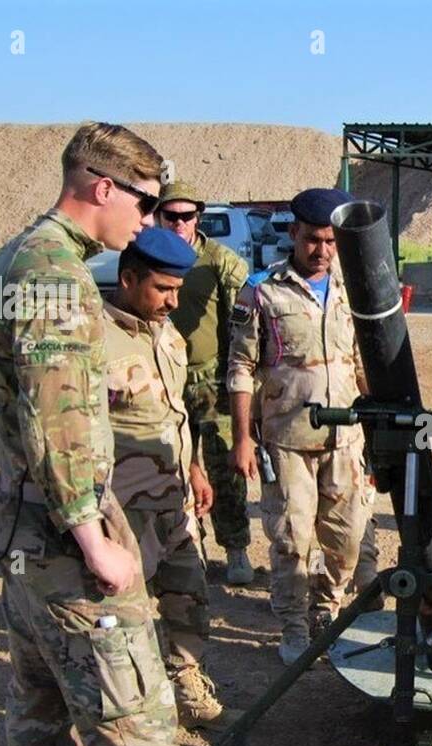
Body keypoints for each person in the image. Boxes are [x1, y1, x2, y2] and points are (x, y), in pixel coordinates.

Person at [0, 122, 189, 746]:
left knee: (37, 709)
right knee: (140, 740)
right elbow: (56, 414)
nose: (149, 221)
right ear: (102, 187)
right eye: (145, 202)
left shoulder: (9, 259)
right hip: (67, 541)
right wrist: (95, 537)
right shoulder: (56, 276)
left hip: (18, 528)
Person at [227, 188, 370, 665]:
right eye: (313, 240)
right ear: (293, 234)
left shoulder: (352, 288)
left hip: (346, 438)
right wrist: (243, 438)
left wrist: (374, 425)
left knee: (348, 539)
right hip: (287, 439)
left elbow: (359, 360)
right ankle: (294, 627)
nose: (322, 250)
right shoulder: (262, 291)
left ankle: (326, 608)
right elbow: (241, 368)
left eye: (331, 242)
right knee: (291, 539)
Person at [104, 227, 231, 728]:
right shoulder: (92, 337)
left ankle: (186, 683)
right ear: (129, 278)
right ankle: (128, 704)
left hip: (174, 497)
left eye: (178, 290)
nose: (173, 301)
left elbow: (177, 412)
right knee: (123, 611)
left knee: (188, 596)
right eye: (163, 289)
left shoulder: (167, 333)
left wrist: (195, 468)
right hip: (123, 505)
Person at [156, 181, 255, 585]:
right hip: (164, 380)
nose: (179, 222)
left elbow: (244, 329)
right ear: (159, 216)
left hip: (211, 381)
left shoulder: (220, 262)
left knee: (223, 468)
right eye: (171, 215)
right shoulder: (149, 258)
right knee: (169, 466)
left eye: (187, 215)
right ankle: (186, 549)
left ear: (198, 216)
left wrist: (241, 386)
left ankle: (236, 550)